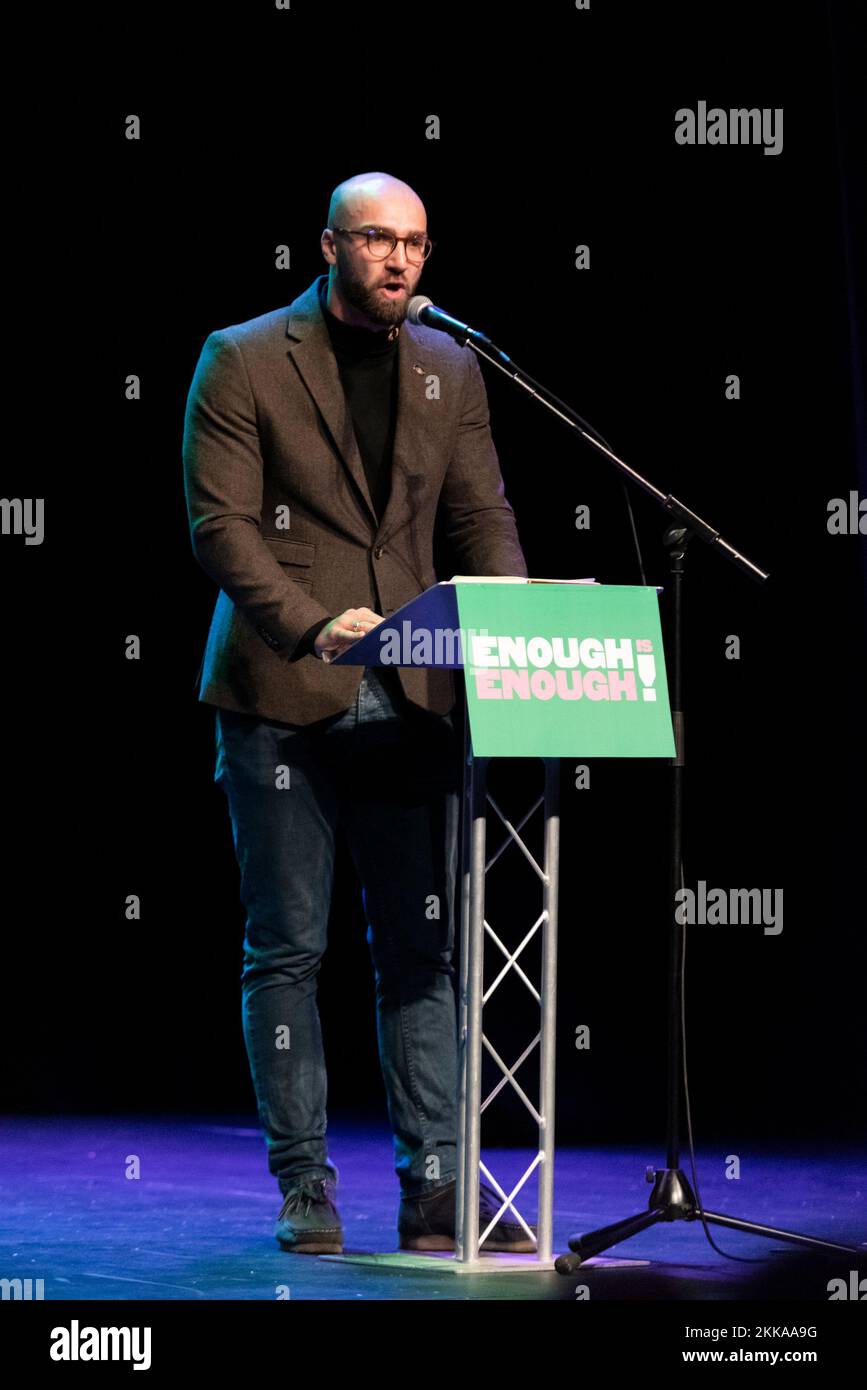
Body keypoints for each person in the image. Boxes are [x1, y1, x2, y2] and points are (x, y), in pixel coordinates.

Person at [182, 171, 533, 1254]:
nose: (398, 261)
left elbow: (482, 518)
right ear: (328, 245)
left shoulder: (450, 365)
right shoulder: (242, 355)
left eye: (417, 244)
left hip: (415, 696)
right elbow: (221, 527)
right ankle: (305, 1185)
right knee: (287, 949)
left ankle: (436, 1192)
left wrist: (511, 619)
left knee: (423, 955)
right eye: (378, 239)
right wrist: (313, 621)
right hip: (281, 691)